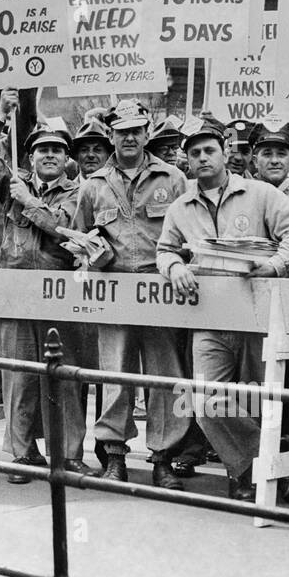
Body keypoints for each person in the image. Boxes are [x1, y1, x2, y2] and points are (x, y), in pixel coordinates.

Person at [157, 120, 289, 501]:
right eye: (194, 153)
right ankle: (258, 463)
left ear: (226, 153)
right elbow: (165, 249)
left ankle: (247, 475)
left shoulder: (259, 194)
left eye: (209, 150)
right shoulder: (181, 207)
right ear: (186, 160)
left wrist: (274, 265)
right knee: (206, 401)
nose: (202, 158)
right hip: (208, 317)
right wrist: (174, 267)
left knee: (255, 398)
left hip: (258, 315)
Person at [69, 99, 189, 486]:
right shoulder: (93, 186)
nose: (130, 138)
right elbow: (78, 241)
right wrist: (87, 259)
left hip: (160, 290)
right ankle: (115, 455)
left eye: (136, 130)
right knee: (115, 377)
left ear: (146, 132)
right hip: (114, 292)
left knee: (164, 377)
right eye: (122, 132)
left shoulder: (172, 178)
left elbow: (190, 235)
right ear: (112, 135)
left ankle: (163, 457)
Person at [0, 117, 90, 482]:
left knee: (66, 376)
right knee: (18, 376)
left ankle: (70, 454)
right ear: (30, 156)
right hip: (15, 293)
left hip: (60, 295)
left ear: (66, 158)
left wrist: (28, 202)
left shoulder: (79, 192)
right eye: (43, 149)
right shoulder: (11, 185)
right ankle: (23, 453)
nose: (50, 155)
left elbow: (66, 231)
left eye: (57, 149)